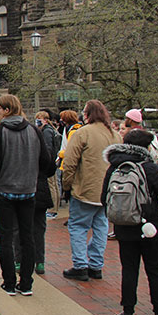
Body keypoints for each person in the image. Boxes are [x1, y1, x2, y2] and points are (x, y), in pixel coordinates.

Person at [103, 130, 158, 315]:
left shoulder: (114, 168)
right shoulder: (150, 168)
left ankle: (127, 312)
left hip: (125, 226)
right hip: (150, 225)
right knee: (155, 270)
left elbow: (105, 199)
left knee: (129, 269)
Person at [0, 95, 54, 295]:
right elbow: (47, 162)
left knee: (6, 238)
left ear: (7, 110)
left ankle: (9, 282)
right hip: (27, 190)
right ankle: (26, 283)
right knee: (28, 237)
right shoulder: (34, 130)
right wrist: (32, 175)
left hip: (6, 190)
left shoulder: (1, 131)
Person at [60, 99, 120, 281]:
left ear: (87, 115)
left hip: (85, 189)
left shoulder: (82, 133)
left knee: (78, 226)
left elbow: (69, 162)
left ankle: (80, 265)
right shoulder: (115, 135)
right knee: (100, 226)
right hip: (107, 190)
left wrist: (67, 185)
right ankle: (96, 264)